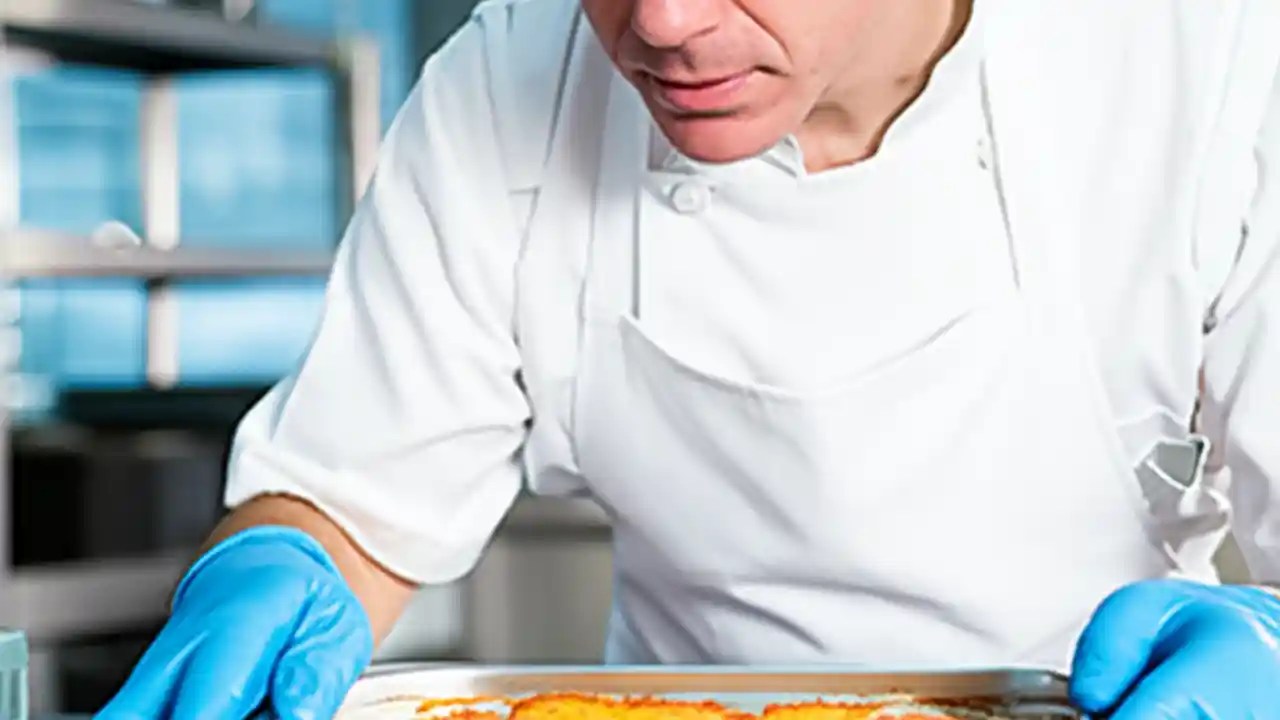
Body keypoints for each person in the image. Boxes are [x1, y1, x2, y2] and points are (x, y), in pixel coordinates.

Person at [98, 0, 1280, 718]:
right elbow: (349, 506)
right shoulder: (503, 84)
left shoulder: (1204, 70)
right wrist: (277, 564)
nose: (661, 25)